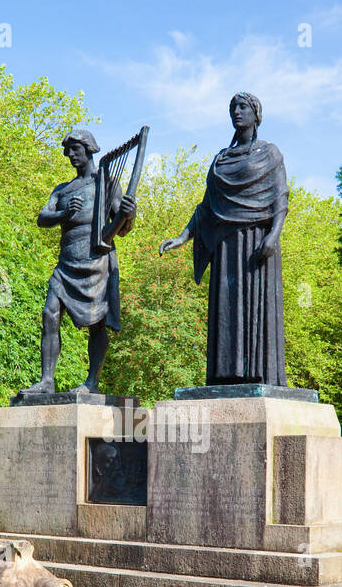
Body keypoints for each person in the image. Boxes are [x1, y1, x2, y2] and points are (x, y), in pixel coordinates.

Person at [159, 92, 289, 386]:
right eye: (233, 108)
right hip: (226, 246)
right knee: (227, 310)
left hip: (257, 242)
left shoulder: (270, 154)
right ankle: (226, 375)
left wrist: (273, 234)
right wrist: (183, 237)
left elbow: (281, 198)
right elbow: (206, 207)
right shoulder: (221, 158)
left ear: (257, 114)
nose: (237, 112)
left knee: (256, 308)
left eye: (243, 107)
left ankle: (259, 374)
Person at [21, 129, 136, 396]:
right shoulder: (63, 190)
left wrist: (129, 215)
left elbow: (122, 228)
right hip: (67, 262)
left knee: (97, 323)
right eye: (68, 150)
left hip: (96, 261)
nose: (70, 154)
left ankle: (91, 382)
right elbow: (42, 218)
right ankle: (46, 380)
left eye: (75, 149)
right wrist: (64, 212)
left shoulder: (107, 183)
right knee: (49, 312)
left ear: (89, 149)